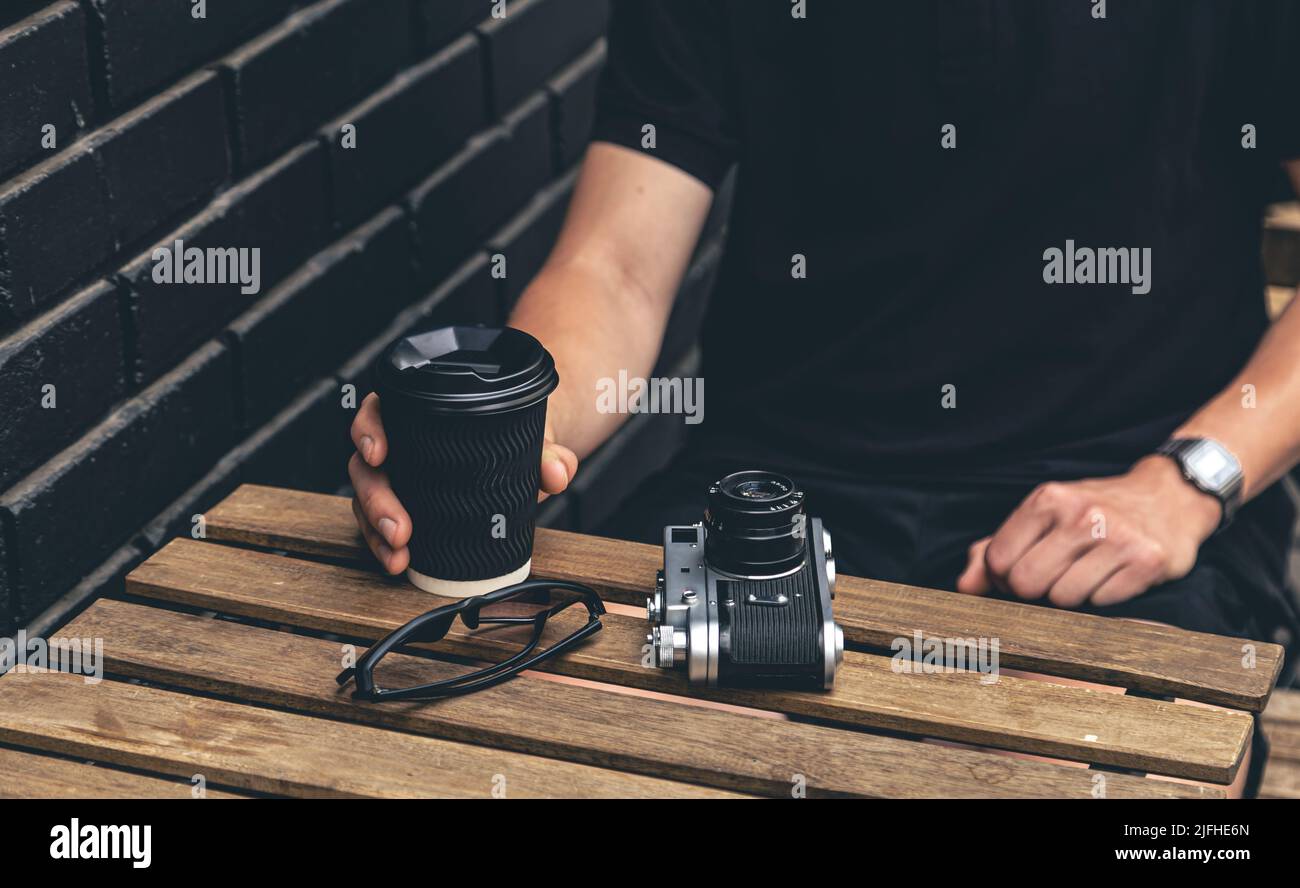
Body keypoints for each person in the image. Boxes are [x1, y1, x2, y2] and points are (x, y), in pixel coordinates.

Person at [348, 2, 1300, 791]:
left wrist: (1192, 478)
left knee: (1105, 792)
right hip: (774, 491)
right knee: (538, 755)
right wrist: (509, 425)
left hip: (1126, 503)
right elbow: (616, 267)